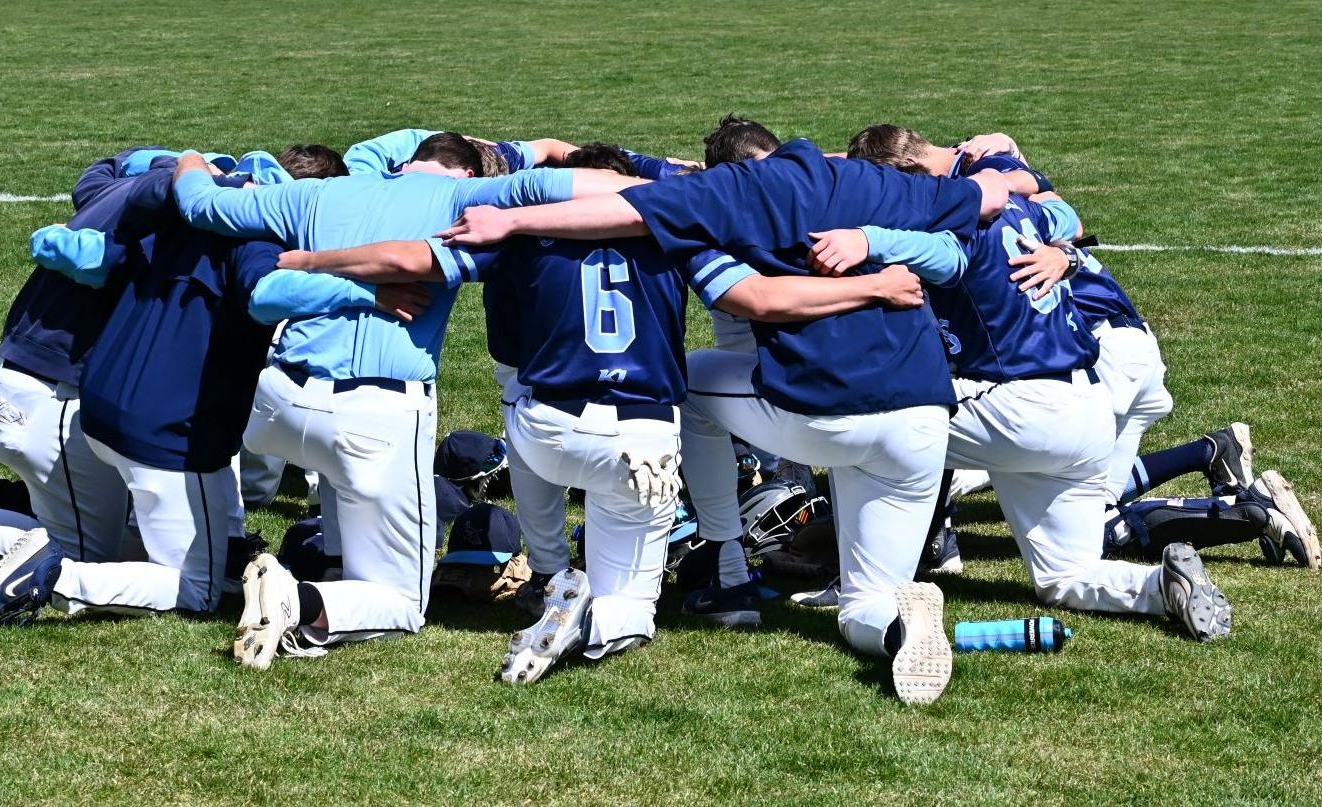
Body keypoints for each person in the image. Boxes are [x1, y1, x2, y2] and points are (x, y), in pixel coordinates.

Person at [262, 156, 932, 686]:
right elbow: (758, 296)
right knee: (633, 609)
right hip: (640, 441)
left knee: (517, 400)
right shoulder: (673, 230)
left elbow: (407, 259)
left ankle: (549, 574)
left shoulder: (522, 229)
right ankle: (599, 614)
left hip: (546, 429)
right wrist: (874, 285)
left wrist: (307, 260)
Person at [170, 133, 643, 668]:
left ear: (407, 163)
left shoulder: (316, 192)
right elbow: (596, 186)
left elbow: (199, 203)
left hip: (277, 405)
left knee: (340, 475)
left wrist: (189, 157)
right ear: (467, 173)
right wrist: (680, 182)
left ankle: (333, 565)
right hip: (372, 412)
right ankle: (293, 599)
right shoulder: (467, 195)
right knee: (402, 605)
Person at [849, 124, 1317, 570]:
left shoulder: (974, 176)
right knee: (1080, 495)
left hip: (1097, 351)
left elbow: (1060, 217)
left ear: (909, 169)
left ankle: (931, 538)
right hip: (1123, 346)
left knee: (935, 414)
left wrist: (1061, 251)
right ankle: (1210, 454)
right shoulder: (974, 166)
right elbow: (1052, 206)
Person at [809, 152, 1233, 642]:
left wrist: (865, 239)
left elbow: (940, 253)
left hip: (1026, 406)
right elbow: (1067, 217)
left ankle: (865, 588)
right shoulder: (1012, 202)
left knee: (866, 425)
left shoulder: (945, 220)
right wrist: (1067, 256)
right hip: (1088, 407)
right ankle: (1162, 585)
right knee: (1065, 576)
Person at [0, 149, 381, 627]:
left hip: (101, 403)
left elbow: (103, 217)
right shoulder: (261, 229)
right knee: (189, 587)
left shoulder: (183, 206)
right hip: (164, 426)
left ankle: (212, 547)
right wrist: (366, 289)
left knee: (141, 549)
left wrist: (184, 168)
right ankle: (50, 577)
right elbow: (266, 295)